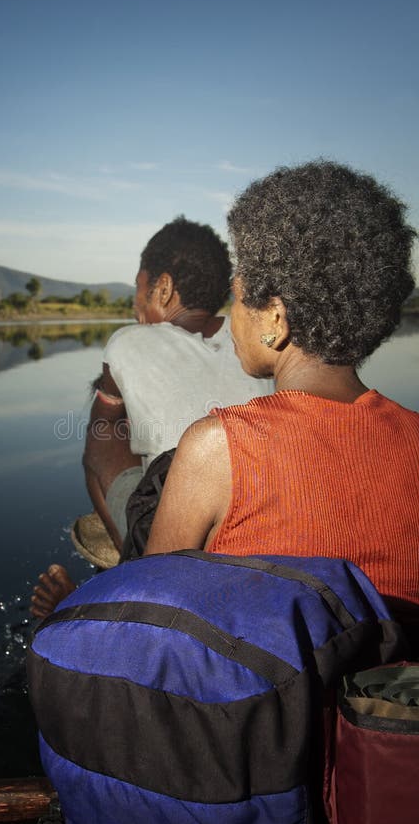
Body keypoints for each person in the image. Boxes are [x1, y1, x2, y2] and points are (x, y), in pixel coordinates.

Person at [145, 161, 419, 628]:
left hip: (269, 699)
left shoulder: (218, 447)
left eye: (238, 288)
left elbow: (147, 619)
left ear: (275, 318)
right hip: (387, 691)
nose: (232, 310)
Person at [30, 216, 272, 617]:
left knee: (103, 436)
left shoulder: (129, 341)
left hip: (186, 535)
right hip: (261, 516)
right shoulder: (252, 337)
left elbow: (104, 430)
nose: (136, 308)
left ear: (163, 288)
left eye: (138, 294)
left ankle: (129, 566)